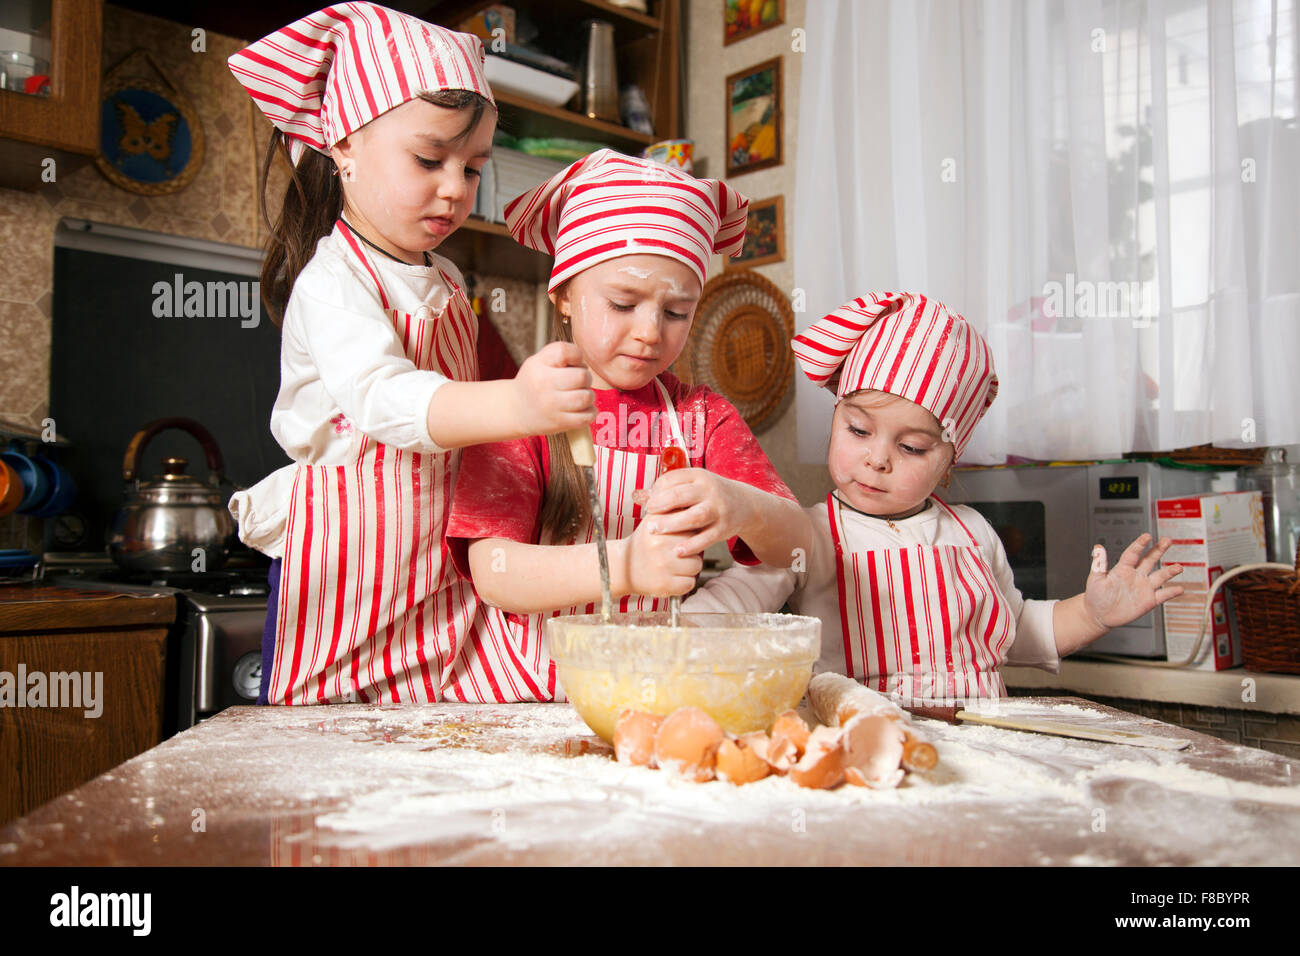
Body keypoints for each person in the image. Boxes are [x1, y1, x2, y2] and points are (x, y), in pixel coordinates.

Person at [226, 3, 594, 705]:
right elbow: (382, 398)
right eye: (429, 159)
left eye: (475, 167)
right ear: (344, 149)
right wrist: (517, 402)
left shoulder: (449, 280)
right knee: (339, 763)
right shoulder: (334, 280)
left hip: (438, 573)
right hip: (349, 571)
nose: (455, 188)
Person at [684, 292, 1185, 702]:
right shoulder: (806, 533)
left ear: (948, 461)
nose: (877, 459)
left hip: (986, 748)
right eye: (858, 429)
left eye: (911, 447)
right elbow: (732, 605)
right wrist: (656, 635)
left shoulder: (971, 532)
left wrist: (1093, 613)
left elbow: (1018, 632)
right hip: (868, 751)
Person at [443, 149, 811, 701]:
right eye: (622, 302)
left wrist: (743, 506)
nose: (648, 332)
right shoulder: (523, 408)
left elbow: (801, 550)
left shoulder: (702, 419)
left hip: (644, 688)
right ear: (564, 295)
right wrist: (629, 565)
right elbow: (494, 571)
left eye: (676, 312)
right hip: (527, 693)